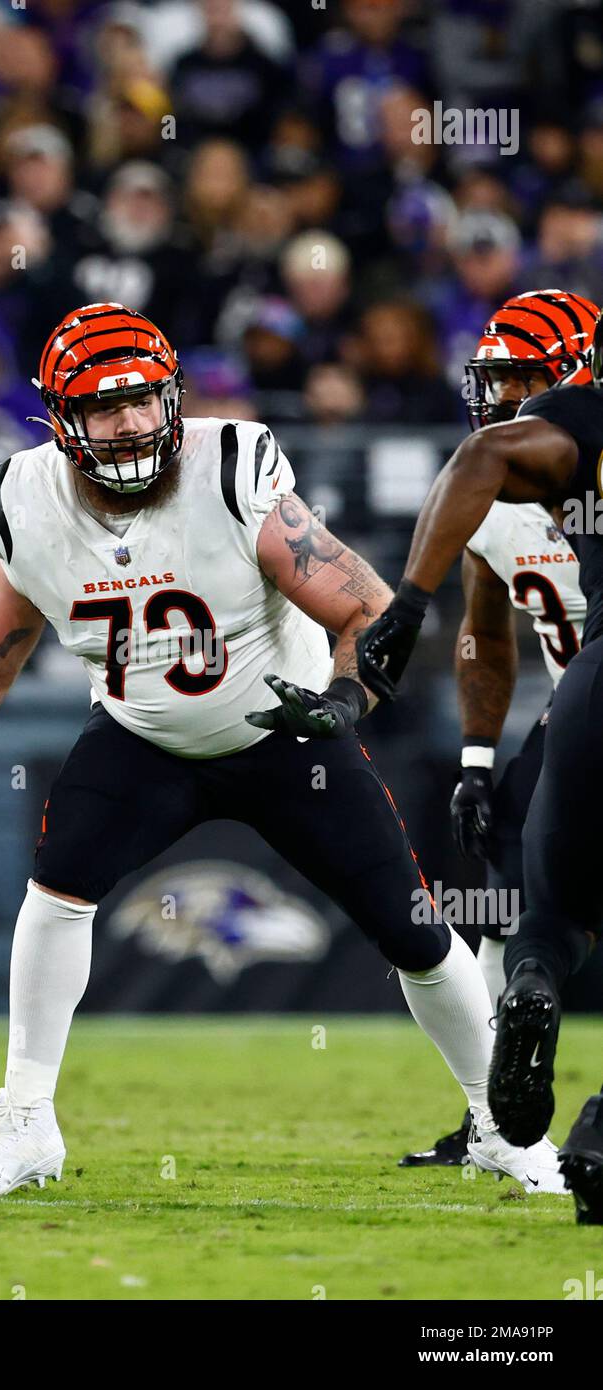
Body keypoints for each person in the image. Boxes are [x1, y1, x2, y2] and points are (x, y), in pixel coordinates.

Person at [0, 302, 563, 1198]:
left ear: (174, 397)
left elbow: (368, 611)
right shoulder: (21, 500)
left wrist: (342, 703)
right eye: (103, 409)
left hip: (280, 728)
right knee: (57, 888)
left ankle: (502, 1129)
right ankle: (25, 1123)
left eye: (144, 401)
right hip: (142, 732)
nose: (129, 424)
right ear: (56, 419)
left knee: (416, 932)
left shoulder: (231, 468)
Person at [354, 293, 603, 1224]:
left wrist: (405, 606)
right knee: (509, 865)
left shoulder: (514, 463)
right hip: (574, 700)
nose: (503, 396)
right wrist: (472, 756)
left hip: (586, 700)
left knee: (541, 902)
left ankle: (513, 1104)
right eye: (494, 378)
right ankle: (500, 1117)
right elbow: (487, 642)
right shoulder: (499, 495)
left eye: (521, 379)